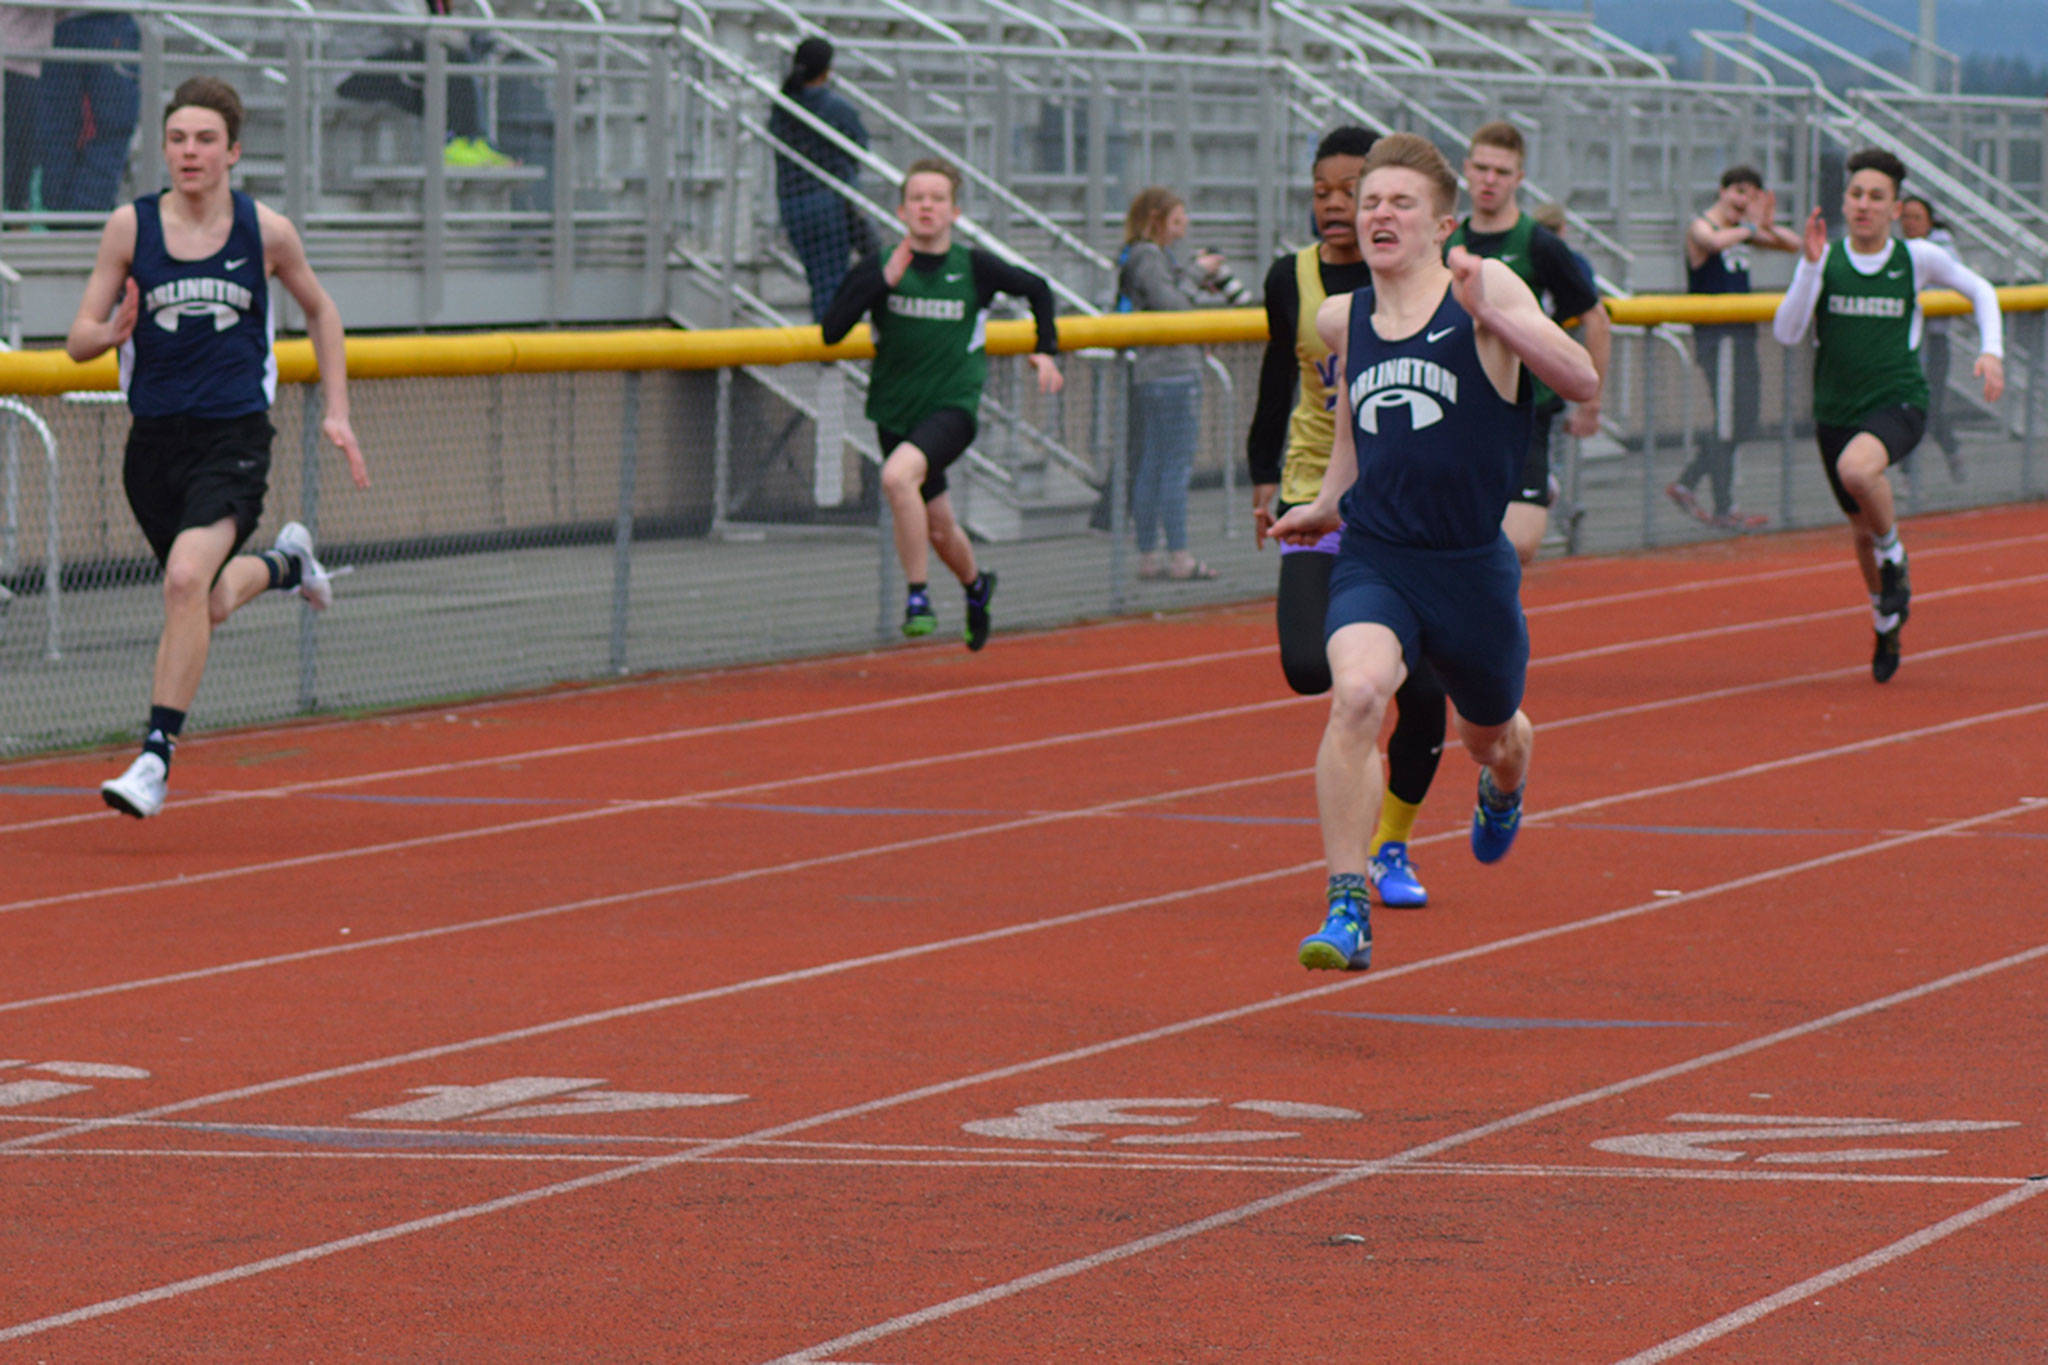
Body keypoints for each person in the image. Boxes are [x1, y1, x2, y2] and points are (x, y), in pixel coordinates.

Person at [1269, 132, 1597, 972]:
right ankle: (1347, 905)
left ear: (1442, 224)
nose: (1378, 214)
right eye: (1370, 201)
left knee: (1488, 736)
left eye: (1400, 203)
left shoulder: (1484, 287)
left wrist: (1498, 318)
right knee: (1357, 694)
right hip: (1378, 554)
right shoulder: (1342, 318)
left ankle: (1505, 780)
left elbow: (1582, 380)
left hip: (1470, 566)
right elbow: (1355, 429)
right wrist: (1327, 504)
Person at [67, 76, 369, 817]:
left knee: (183, 582)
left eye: (205, 140)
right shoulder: (130, 229)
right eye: (177, 139)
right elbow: (76, 340)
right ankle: (288, 564)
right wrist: (107, 333)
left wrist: (337, 411)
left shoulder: (265, 231)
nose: (189, 152)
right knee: (205, 600)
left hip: (233, 438)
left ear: (232, 151)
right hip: (153, 447)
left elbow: (322, 311)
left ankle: (154, 759)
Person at [1246, 124, 1440, 911]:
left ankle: (1391, 842)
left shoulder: (1420, 276)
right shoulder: (1290, 277)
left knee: (1424, 697)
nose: (1335, 205)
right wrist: (1263, 476)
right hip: (1314, 484)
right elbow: (1275, 375)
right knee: (1304, 663)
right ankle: (1378, 662)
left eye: (1350, 191)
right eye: (1322, 191)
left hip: (1405, 501)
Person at [1772, 147, 2003, 684]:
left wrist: (1991, 351)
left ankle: (1895, 554)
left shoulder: (1915, 258)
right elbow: (1787, 332)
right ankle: (1885, 619)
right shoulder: (1825, 258)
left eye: (1877, 197)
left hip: (1899, 400)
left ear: (1895, 209)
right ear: (1843, 202)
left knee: (1858, 472)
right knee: (1860, 529)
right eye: (1856, 194)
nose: (1864, 205)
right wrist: (1809, 267)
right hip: (1835, 410)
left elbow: (1981, 290)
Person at [819, 157, 1061, 651]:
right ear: (901, 210)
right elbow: (831, 332)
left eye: (937, 199)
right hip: (895, 411)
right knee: (941, 527)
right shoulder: (880, 267)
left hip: (952, 406)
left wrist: (1045, 348)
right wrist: (881, 282)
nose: (926, 207)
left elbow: (1037, 288)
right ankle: (976, 587)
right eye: (917, 198)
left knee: (896, 478)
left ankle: (917, 597)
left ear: (954, 211)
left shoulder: (974, 268)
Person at [1449, 121, 1610, 565]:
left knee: (1518, 544)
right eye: (1482, 168)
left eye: (1502, 172)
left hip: (1524, 410)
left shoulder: (1539, 244)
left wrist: (1591, 402)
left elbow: (1596, 318)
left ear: (1519, 178)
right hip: (1458, 406)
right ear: (1466, 169)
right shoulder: (1447, 241)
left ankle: (1538, 489)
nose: (1489, 180)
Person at [1667, 165, 1801, 530]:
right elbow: (1710, 242)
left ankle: (1688, 482)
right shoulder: (1704, 226)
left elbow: (1794, 244)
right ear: (1723, 191)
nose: (1744, 201)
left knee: (1745, 420)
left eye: (1752, 195)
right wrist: (1752, 229)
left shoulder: (1741, 232)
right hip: (1718, 338)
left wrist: (1766, 225)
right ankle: (1722, 505)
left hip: (1742, 336)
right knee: (1728, 423)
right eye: (1739, 192)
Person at [1118, 185, 1230, 581]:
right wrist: (1198, 272)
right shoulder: (1148, 256)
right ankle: (1177, 555)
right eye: (1177, 221)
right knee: (1171, 467)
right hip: (1171, 373)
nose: (1183, 229)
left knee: (1154, 463)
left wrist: (1188, 273)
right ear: (1157, 220)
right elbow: (1173, 306)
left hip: (1157, 373)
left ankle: (1151, 555)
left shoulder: (1149, 256)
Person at [768, 37, 871, 324]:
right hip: (828, 202)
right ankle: (831, 341)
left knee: (820, 278)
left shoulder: (783, 104)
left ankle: (826, 337)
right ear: (827, 69)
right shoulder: (835, 107)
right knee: (832, 281)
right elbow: (859, 145)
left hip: (792, 203)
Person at [33, 9, 140, 214]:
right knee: (60, 124)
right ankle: (74, 214)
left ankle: (78, 213)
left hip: (94, 20)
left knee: (106, 123)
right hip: (69, 21)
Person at [1900, 193, 1968, 481]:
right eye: (1906, 217)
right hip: (1904, 344)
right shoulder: (1897, 250)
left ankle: (1951, 453)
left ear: (1929, 222)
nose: (1910, 223)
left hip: (1934, 340)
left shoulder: (1942, 249)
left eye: (1917, 217)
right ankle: (1909, 475)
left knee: (1930, 405)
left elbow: (1958, 286)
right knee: (1903, 404)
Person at [0, 4, 55, 212]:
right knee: (13, 145)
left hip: (28, 63)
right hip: (11, 62)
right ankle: (14, 212)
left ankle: (17, 212)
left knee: (25, 146)